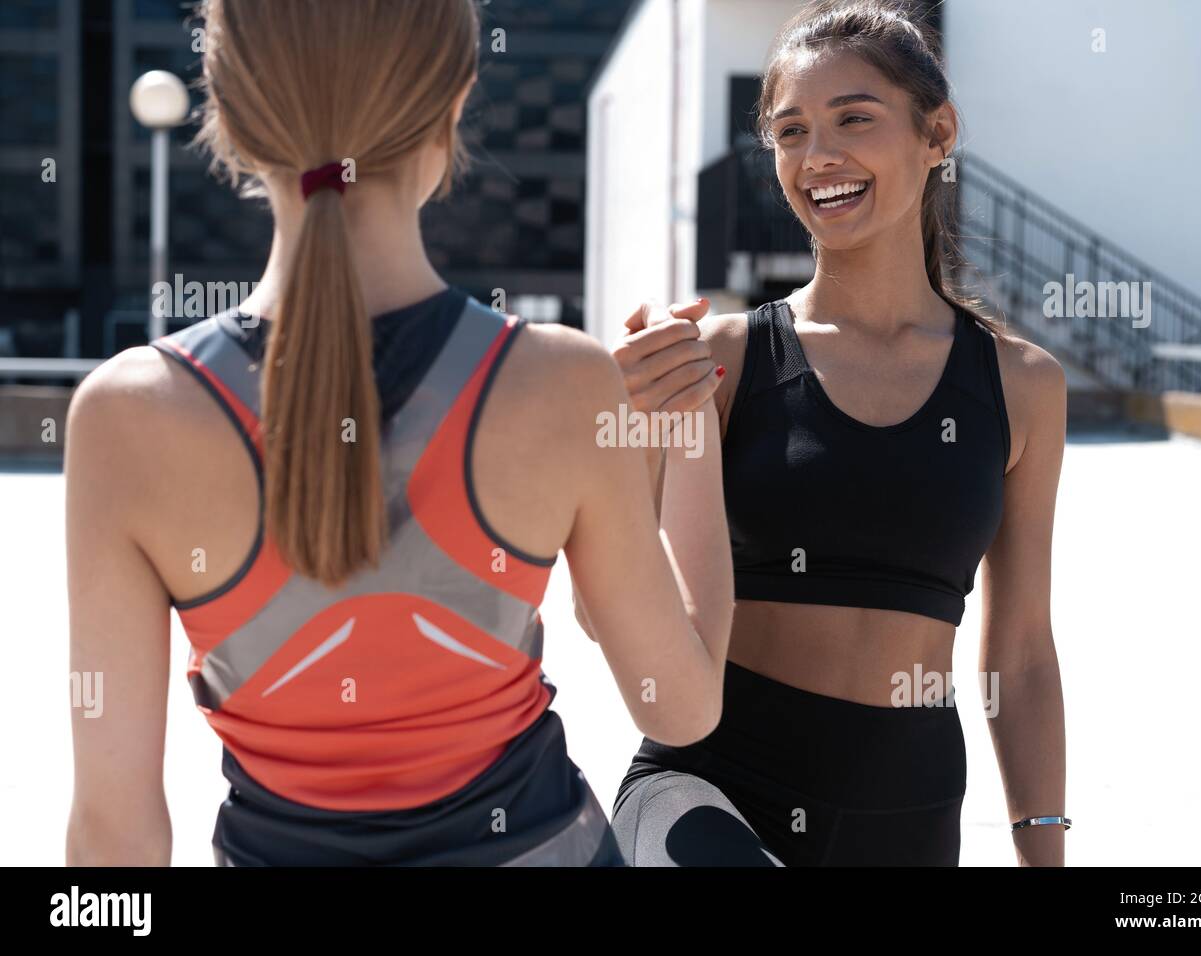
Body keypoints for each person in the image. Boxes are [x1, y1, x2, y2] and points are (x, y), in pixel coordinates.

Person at [64, 0, 732, 867]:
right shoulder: (561, 384)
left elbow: (114, 836)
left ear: (223, 110)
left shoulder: (127, 415)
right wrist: (685, 424)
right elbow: (679, 708)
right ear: (455, 103)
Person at [604, 0, 1069, 866]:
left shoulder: (1023, 386)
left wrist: (1045, 850)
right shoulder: (722, 359)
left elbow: (1022, 653)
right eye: (790, 131)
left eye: (854, 118)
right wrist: (622, 439)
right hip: (712, 788)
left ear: (938, 134)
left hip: (912, 810)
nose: (818, 156)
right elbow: (623, 607)